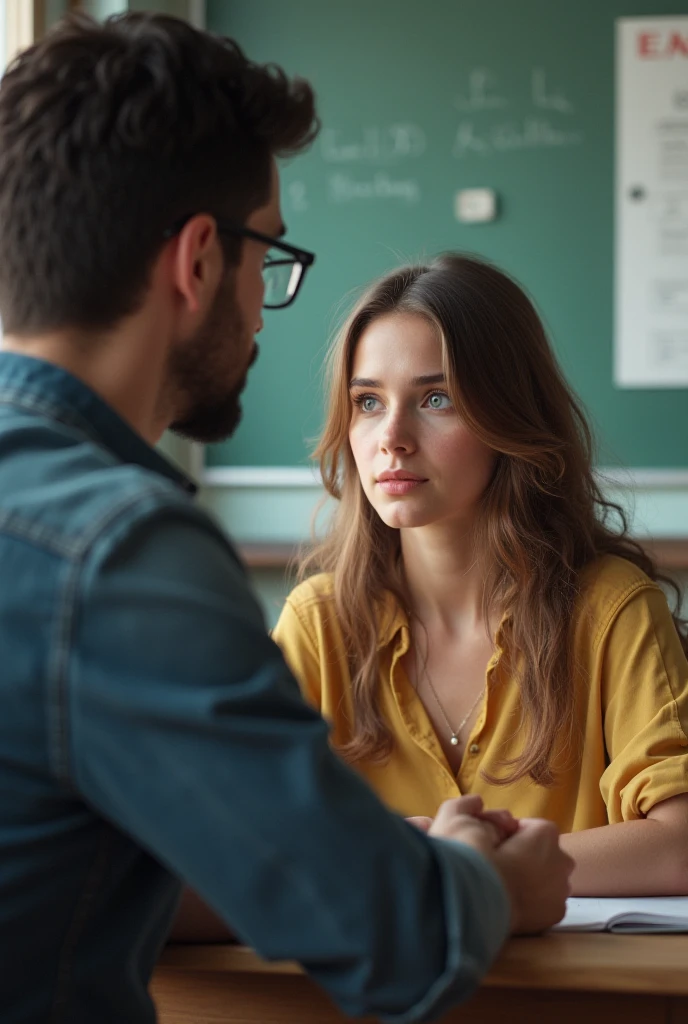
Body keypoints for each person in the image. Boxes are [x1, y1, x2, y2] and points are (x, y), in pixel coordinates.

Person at [0, 13, 573, 1024]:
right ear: (196, 264)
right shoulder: (118, 553)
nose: (267, 307)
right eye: (267, 254)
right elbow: (394, 938)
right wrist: (493, 884)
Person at [274, 252, 688, 898]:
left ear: (509, 416)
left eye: (436, 398)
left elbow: (677, 846)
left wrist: (459, 866)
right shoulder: (318, 622)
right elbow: (245, 839)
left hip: (570, 996)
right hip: (367, 994)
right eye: (367, 402)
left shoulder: (611, 609)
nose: (392, 437)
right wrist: (477, 865)